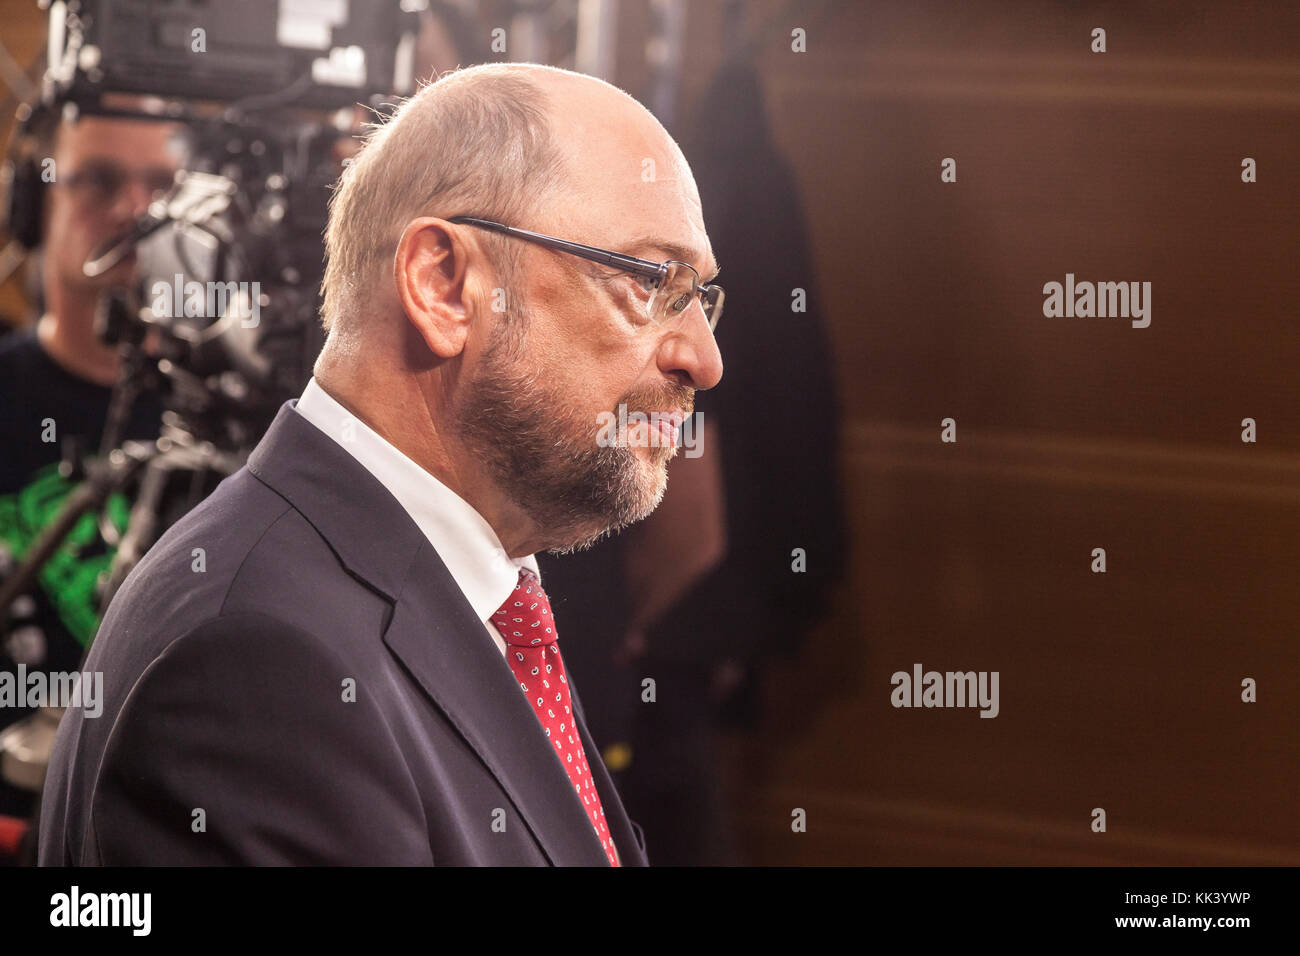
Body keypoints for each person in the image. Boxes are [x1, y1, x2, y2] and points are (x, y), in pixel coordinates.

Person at [38, 62, 725, 866]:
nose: (702, 358)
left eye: (700, 296)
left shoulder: (478, 598)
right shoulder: (262, 664)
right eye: (650, 282)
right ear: (443, 284)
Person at [0, 105, 181, 852]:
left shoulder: (259, 420)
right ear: (31, 207)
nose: (134, 211)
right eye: (98, 181)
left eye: (164, 187)